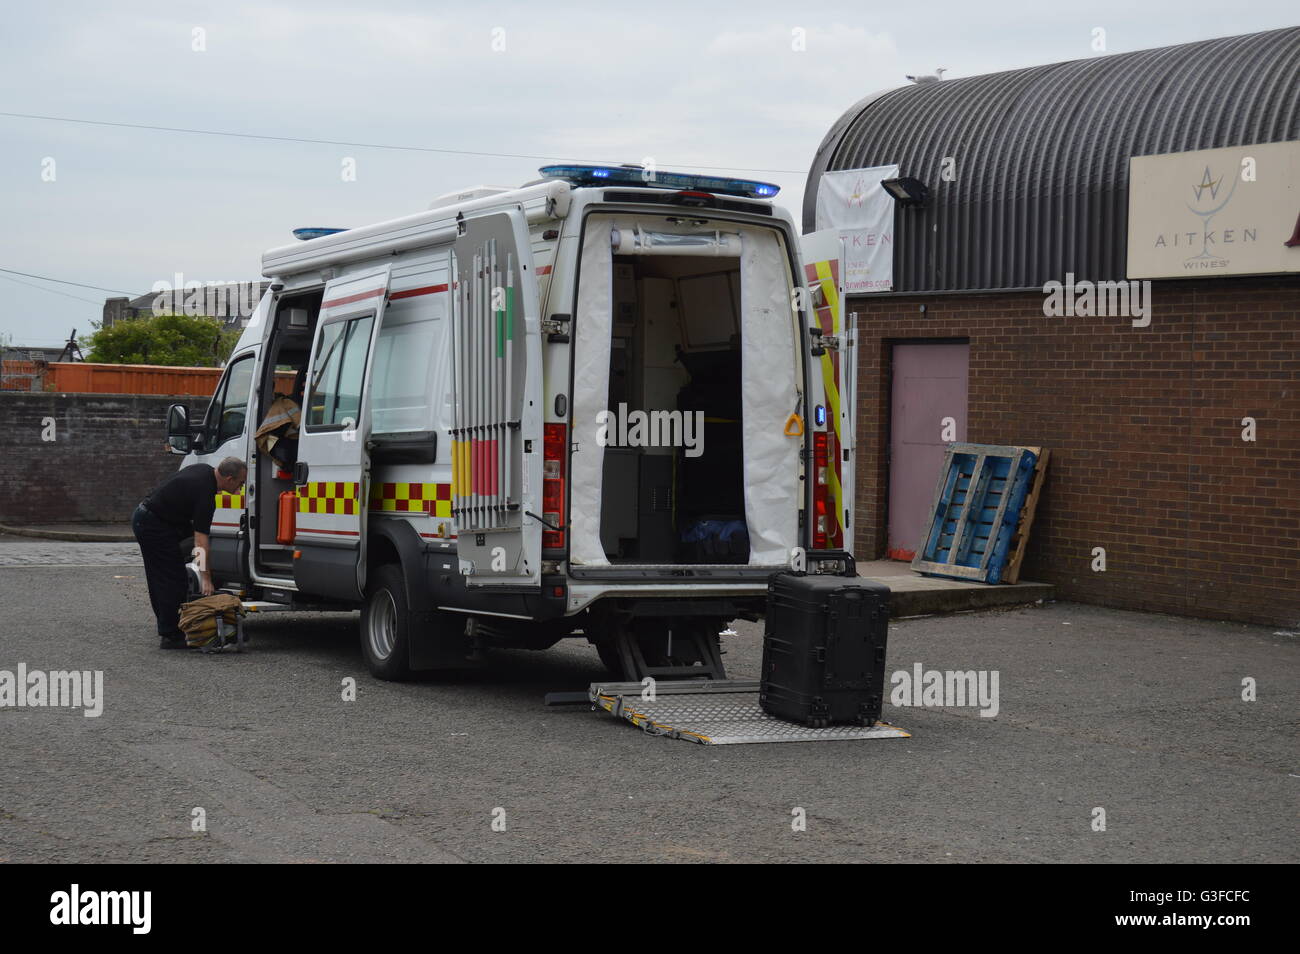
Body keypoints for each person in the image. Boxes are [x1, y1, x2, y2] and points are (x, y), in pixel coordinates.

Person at [132, 457, 247, 649]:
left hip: (151, 518)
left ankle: (168, 625)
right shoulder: (205, 496)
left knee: (161, 575)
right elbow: (201, 542)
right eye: (240, 483)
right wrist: (206, 578)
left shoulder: (204, 471)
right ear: (229, 479)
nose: (241, 488)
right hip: (153, 525)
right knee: (172, 579)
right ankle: (170, 635)